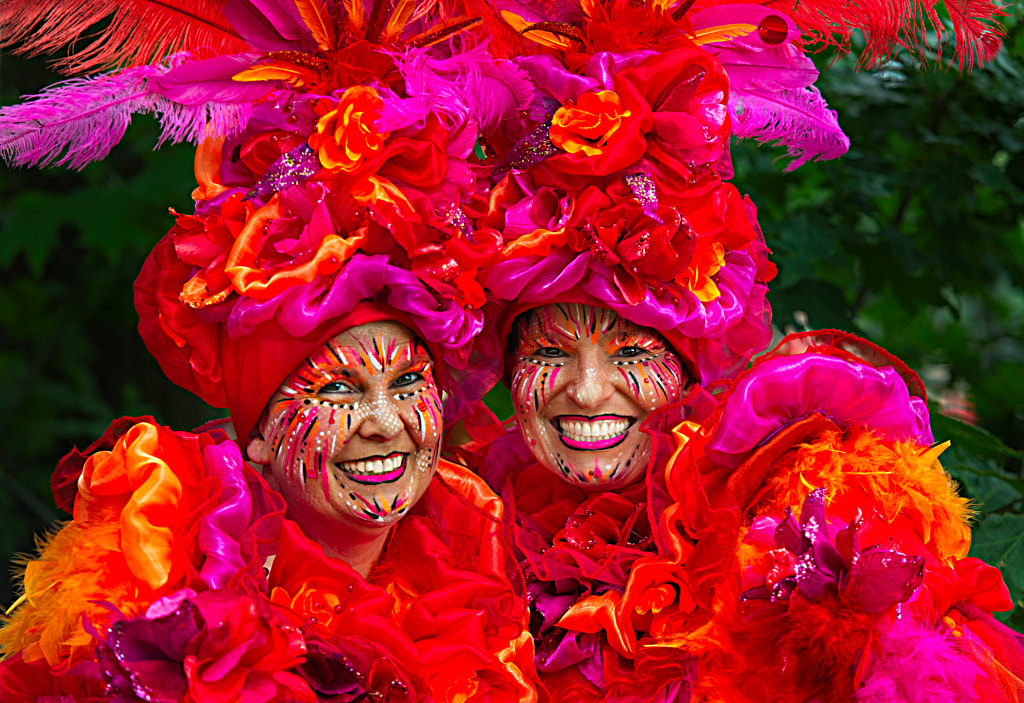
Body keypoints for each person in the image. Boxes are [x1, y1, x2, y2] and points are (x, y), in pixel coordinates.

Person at [0, 1, 541, 700]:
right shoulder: (155, 594)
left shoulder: (473, 570)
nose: (386, 421)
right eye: (339, 390)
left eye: (408, 385)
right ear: (256, 434)